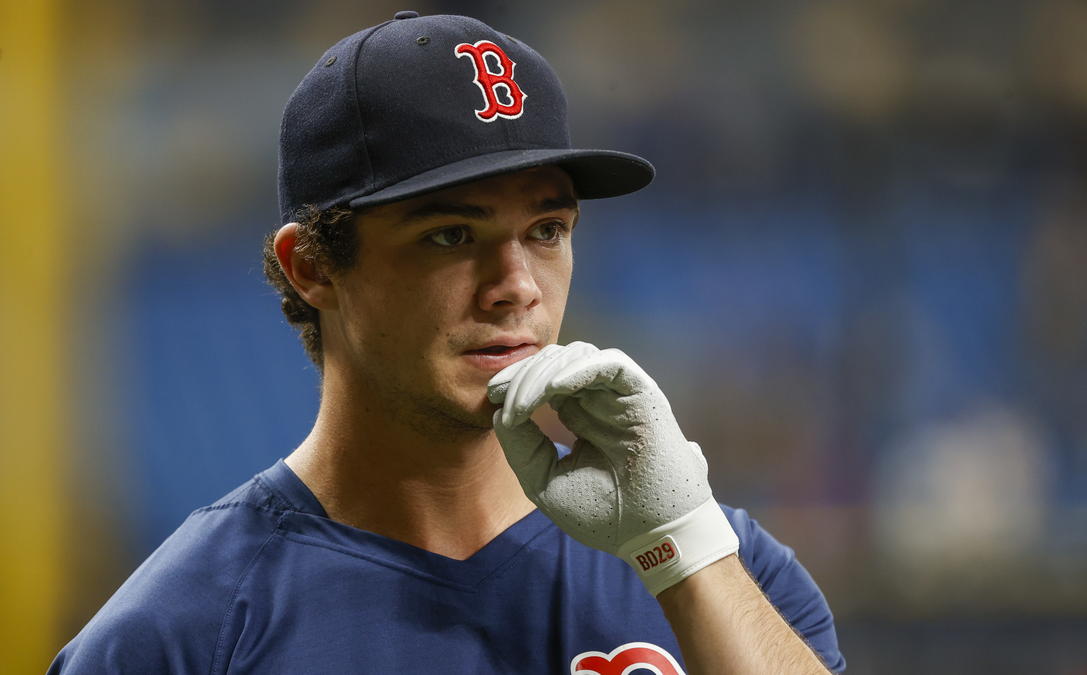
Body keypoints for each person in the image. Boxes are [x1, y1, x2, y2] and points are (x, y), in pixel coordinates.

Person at [50, 11, 844, 674]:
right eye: (451, 233)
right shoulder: (183, 633)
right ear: (312, 267)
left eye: (546, 229)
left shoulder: (723, 563)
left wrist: (681, 549)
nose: (517, 284)